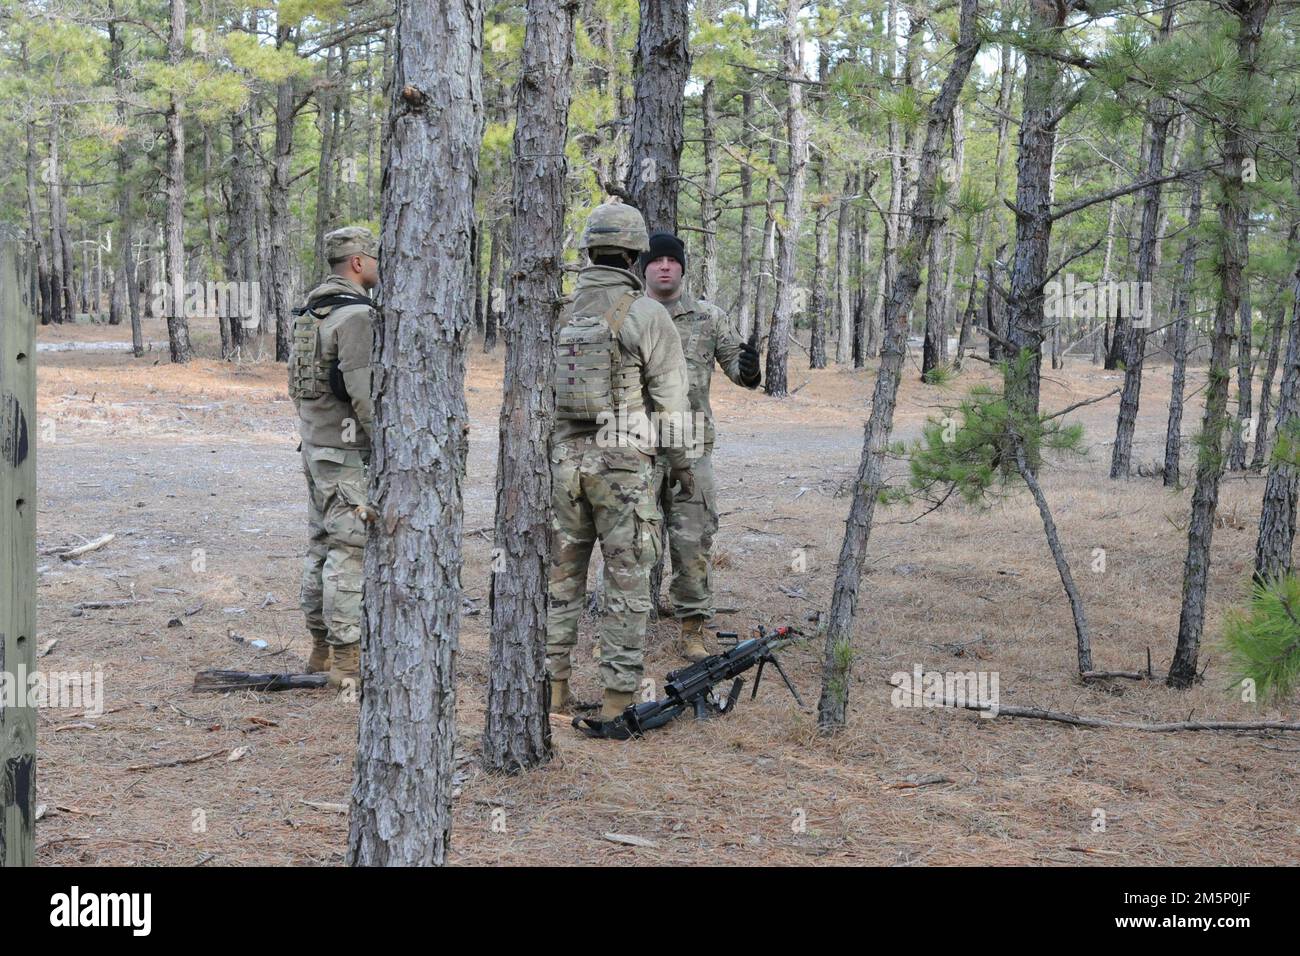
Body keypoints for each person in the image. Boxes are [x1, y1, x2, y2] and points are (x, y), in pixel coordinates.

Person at [548, 202, 695, 721]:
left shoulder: (559, 311)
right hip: (624, 467)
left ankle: (553, 689)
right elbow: (673, 405)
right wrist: (682, 466)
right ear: (635, 254)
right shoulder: (646, 313)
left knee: (560, 577)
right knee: (627, 579)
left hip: (563, 463)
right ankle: (616, 700)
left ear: (589, 250)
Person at [641, 231, 762, 661]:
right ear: (645, 267)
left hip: (691, 446)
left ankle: (691, 629)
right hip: (636, 448)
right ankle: (625, 629)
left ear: (683, 267)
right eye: (657, 260)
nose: (665, 266)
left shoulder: (707, 317)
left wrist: (749, 369)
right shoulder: (627, 313)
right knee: (632, 541)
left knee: (693, 540)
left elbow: (736, 367)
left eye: (672, 260)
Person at [288, 225, 378, 691]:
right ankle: (345, 662)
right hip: (344, 453)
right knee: (349, 552)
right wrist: (387, 439)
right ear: (358, 263)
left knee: (320, 545)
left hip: (315, 445)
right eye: (375, 259)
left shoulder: (309, 311)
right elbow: (362, 394)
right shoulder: (356, 316)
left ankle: (319, 648)